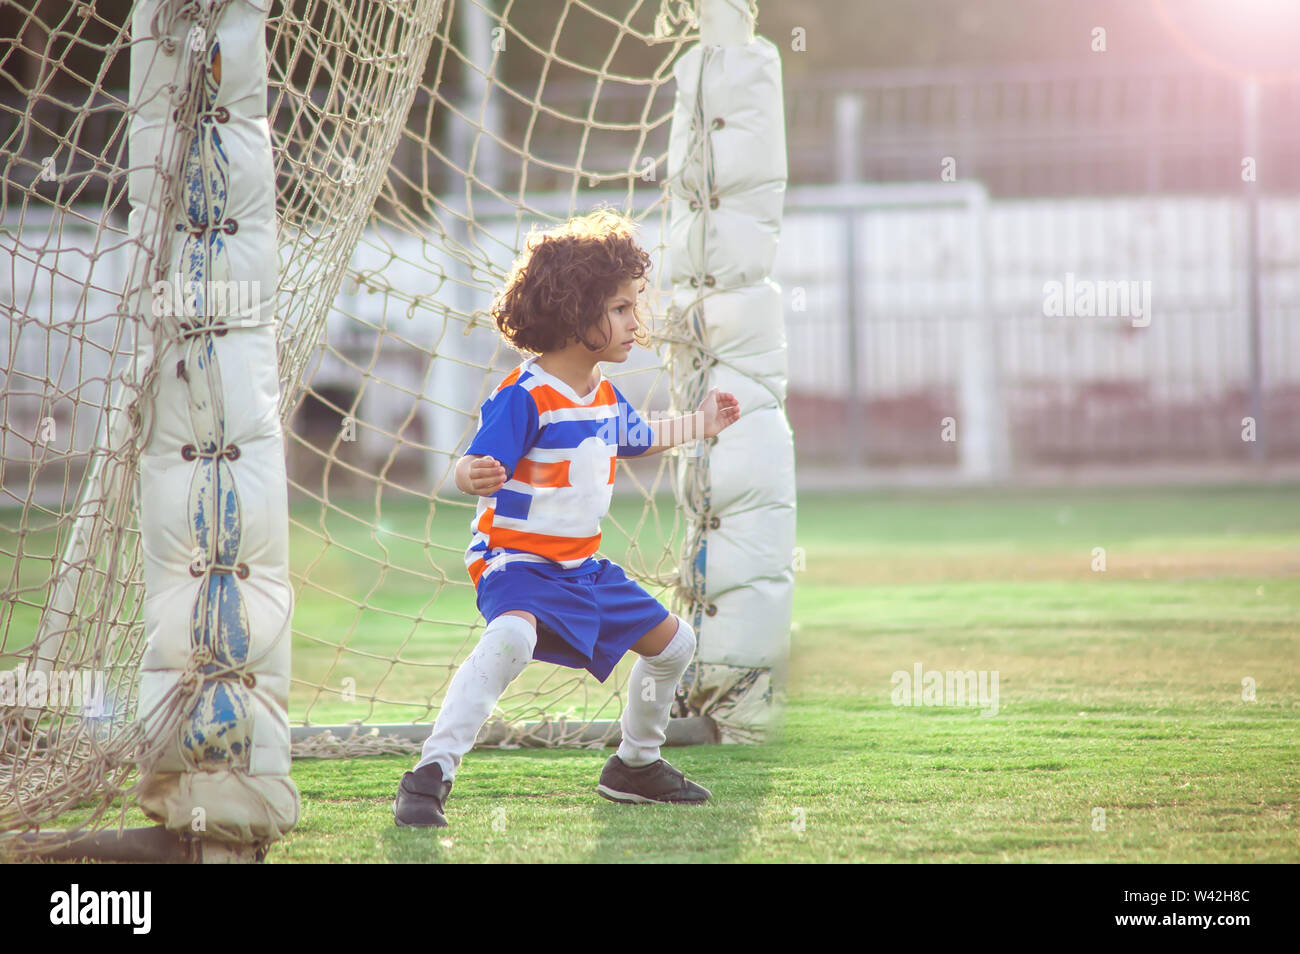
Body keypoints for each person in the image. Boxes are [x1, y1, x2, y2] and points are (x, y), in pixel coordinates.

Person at [393, 209, 740, 828]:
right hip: (516, 563)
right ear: (576, 315)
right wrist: (468, 475)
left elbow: (639, 436)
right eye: (621, 309)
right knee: (513, 637)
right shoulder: (524, 396)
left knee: (675, 645)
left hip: (581, 567)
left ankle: (636, 765)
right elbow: (474, 463)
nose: (636, 321)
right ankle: (429, 774)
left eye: (635, 306)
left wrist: (703, 424)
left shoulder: (603, 395)